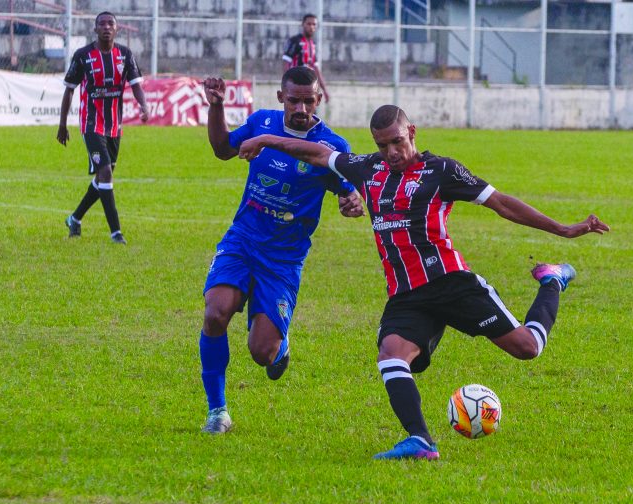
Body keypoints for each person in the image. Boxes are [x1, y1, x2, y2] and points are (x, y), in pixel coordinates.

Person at [238, 105, 610, 460]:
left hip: (451, 283)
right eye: (382, 145)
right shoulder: (368, 170)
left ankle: (552, 279)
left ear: (411, 132)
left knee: (528, 348)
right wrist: (268, 140)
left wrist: (563, 229)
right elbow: (317, 153)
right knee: (391, 356)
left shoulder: (441, 171)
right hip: (407, 296)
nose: (392, 152)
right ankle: (420, 440)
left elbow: (501, 203)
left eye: (397, 141)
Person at [198, 67, 363, 434]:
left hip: (284, 258)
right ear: (280, 97)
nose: (302, 107)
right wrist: (216, 107)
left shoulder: (333, 146)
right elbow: (223, 149)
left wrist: (352, 200)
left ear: (319, 99)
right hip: (243, 239)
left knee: (262, 353)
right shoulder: (261, 123)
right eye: (294, 100)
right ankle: (217, 411)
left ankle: (279, 343)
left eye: (309, 100)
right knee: (216, 314)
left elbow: (351, 188)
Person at [58, 11, 150, 245]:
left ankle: (75, 218)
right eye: (102, 24)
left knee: (103, 177)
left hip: (114, 126)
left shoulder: (125, 55)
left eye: (111, 24)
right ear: (95, 29)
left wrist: (143, 105)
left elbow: (136, 84)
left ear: (117, 29)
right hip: (91, 124)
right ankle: (115, 232)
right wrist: (62, 125)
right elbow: (69, 89)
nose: (106, 27)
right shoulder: (83, 56)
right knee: (106, 172)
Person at [282, 14, 330, 103]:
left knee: (310, 113)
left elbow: (316, 69)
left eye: (314, 24)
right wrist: (285, 86)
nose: (311, 27)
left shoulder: (312, 44)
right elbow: (286, 63)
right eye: (309, 24)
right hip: (296, 86)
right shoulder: (295, 41)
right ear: (303, 24)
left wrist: (325, 90)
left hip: (309, 87)